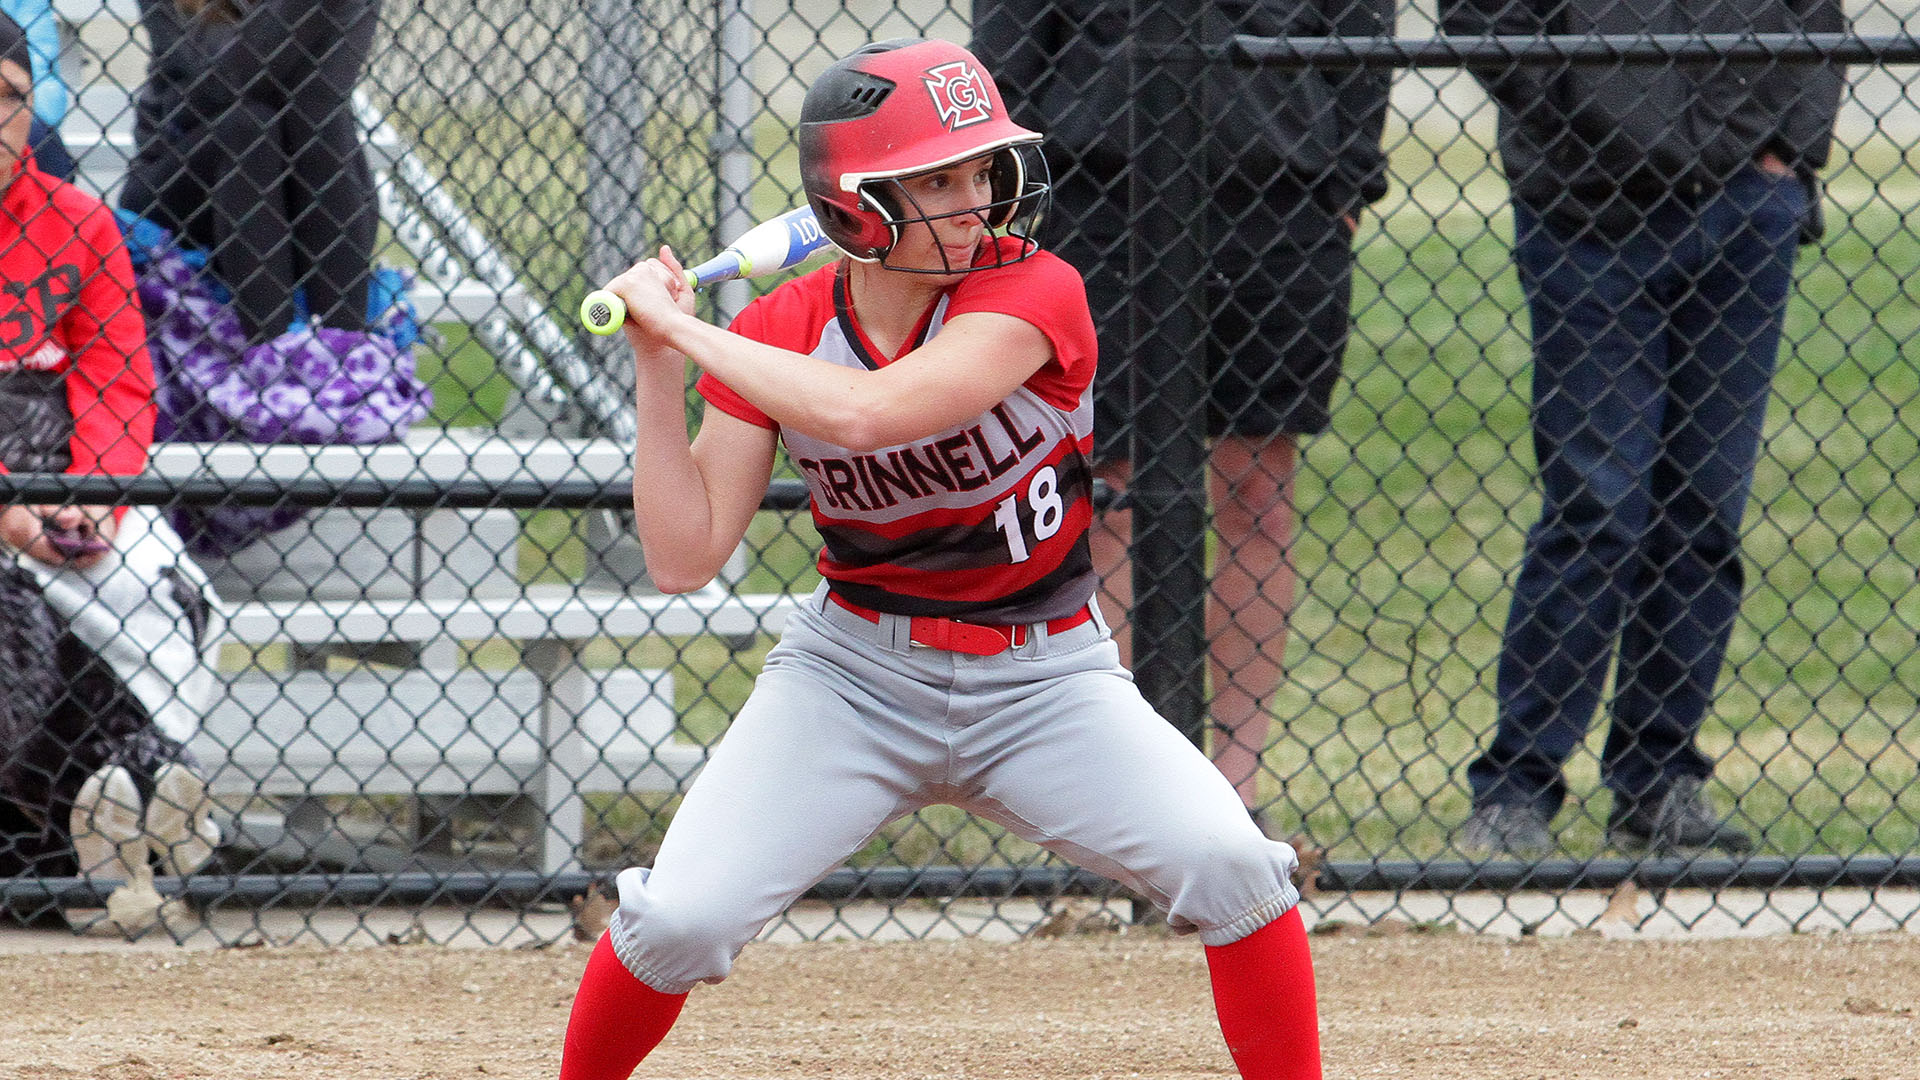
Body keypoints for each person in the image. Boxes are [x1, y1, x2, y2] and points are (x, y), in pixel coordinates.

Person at [557, 39, 1323, 1080]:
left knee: (1236, 869)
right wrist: (657, 365)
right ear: (858, 208)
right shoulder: (783, 327)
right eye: (938, 180)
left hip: (1045, 678)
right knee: (679, 922)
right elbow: (684, 555)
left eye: (981, 171)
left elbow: (870, 415)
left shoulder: (1035, 291)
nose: (977, 201)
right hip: (854, 678)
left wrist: (695, 336)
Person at [972, 0, 1392, 827]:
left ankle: (1233, 794)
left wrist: (1344, 179)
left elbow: (1362, 36)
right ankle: (1124, 789)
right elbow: (1009, 50)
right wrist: (1017, 196)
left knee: (1258, 495)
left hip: (1278, 204)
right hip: (1101, 203)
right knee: (1109, 492)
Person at [1445, 0, 1845, 856]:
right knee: (1596, 508)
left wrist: (1788, 154)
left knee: (1703, 509)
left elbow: (1817, 16)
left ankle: (1658, 778)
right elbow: (1482, 16)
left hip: (1743, 206)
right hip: (1585, 213)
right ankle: (1518, 785)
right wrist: (1573, 129)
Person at [0, 10, 222, 930]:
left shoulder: (75, 221)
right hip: (11, 500)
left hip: (60, 481)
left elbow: (118, 372)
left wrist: (94, 494)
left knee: (175, 594)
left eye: (9, 101)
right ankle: (89, 832)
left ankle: (133, 783)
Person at [119, 0, 381, 345]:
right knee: (250, 125)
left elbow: (320, 96)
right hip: (180, 176)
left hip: (303, 178)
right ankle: (270, 358)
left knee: (318, 118)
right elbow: (206, 96)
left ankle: (345, 358)